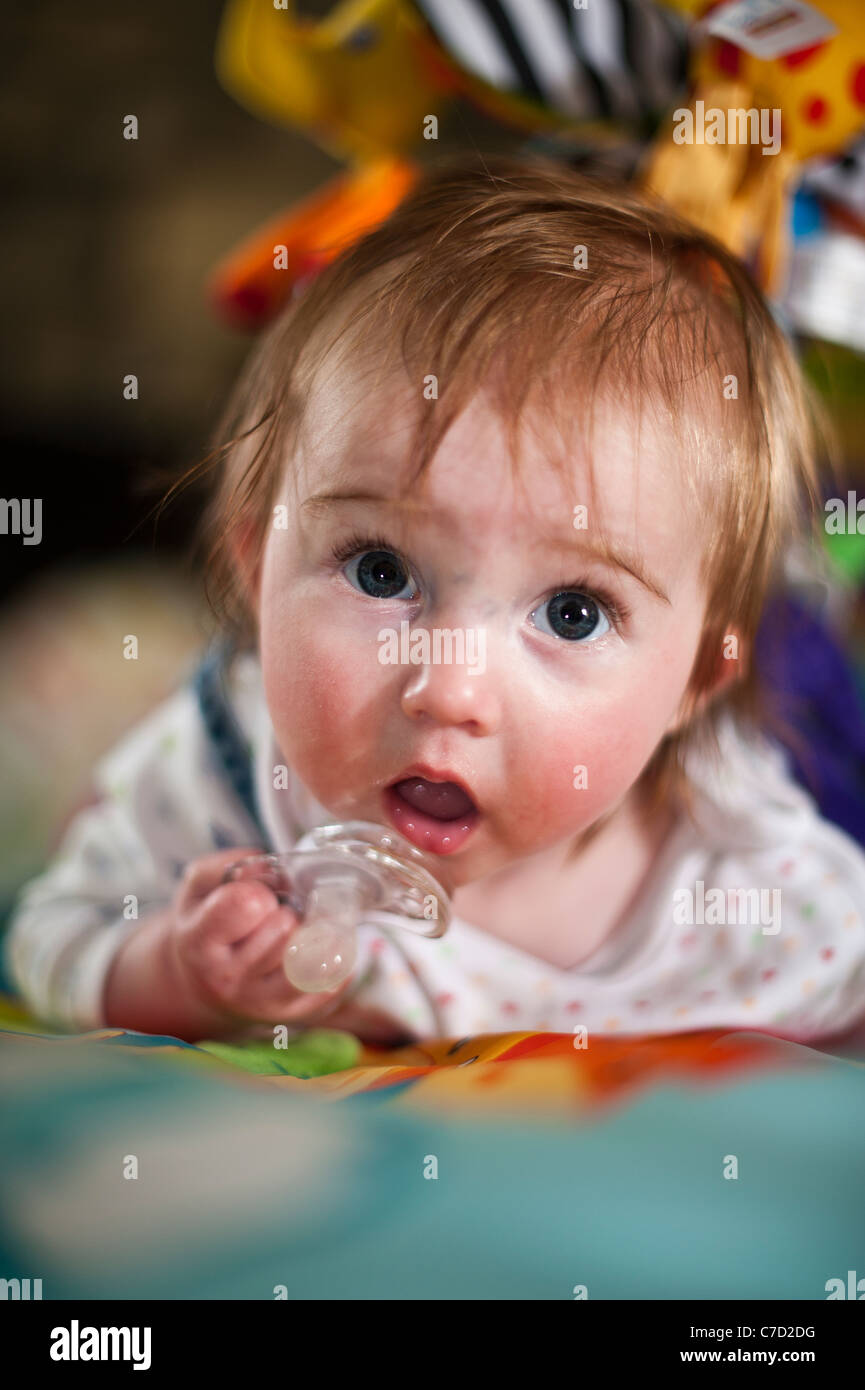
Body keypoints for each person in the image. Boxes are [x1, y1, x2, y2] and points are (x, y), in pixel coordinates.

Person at [7, 155, 865, 1046]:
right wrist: (178, 972)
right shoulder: (222, 778)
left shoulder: (750, 893)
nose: (448, 691)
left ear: (693, 678)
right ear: (259, 565)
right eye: (380, 571)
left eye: (572, 612)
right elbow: (51, 943)